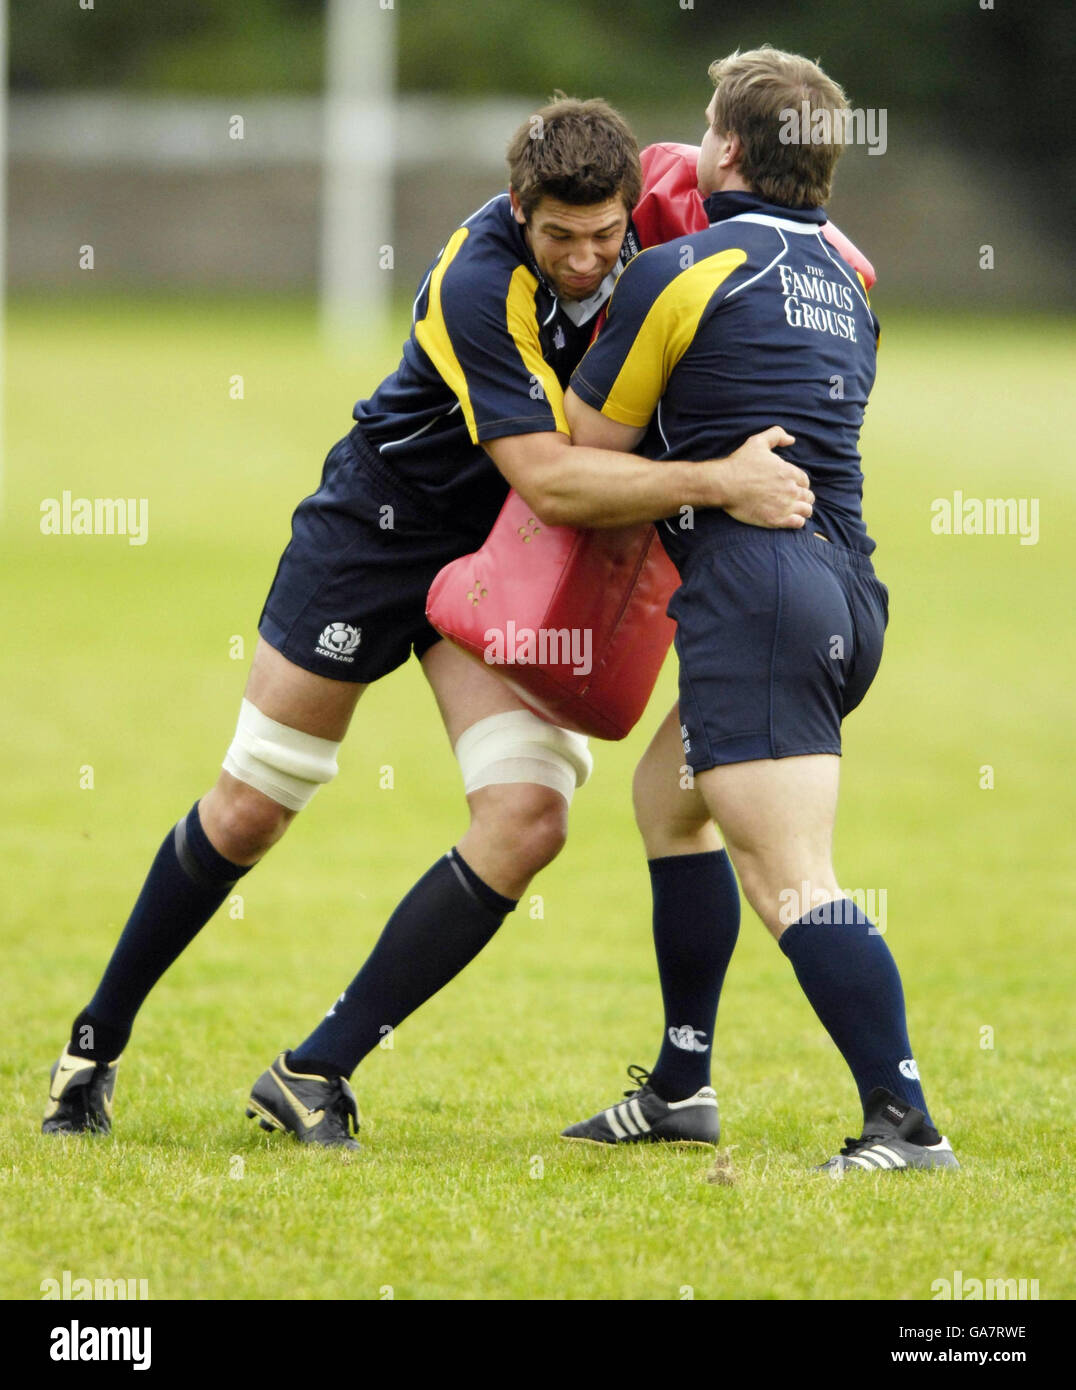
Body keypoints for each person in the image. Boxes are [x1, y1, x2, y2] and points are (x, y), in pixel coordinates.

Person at [43, 96, 812, 1149]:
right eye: (559, 238)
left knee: (529, 820)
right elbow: (548, 481)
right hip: (379, 533)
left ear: (634, 203)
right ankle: (92, 1046)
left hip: (498, 565)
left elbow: (770, 197)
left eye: (604, 236)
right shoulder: (474, 278)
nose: (585, 262)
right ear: (516, 208)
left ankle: (315, 1071)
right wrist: (718, 482)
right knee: (256, 800)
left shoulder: (660, 207)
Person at [560, 50, 958, 1174]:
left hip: (759, 596)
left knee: (790, 877)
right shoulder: (848, 284)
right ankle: (682, 1084)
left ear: (725, 150)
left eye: (702, 126)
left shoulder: (682, 271)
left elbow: (589, 459)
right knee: (667, 798)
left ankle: (904, 1124)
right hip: (840, 592)